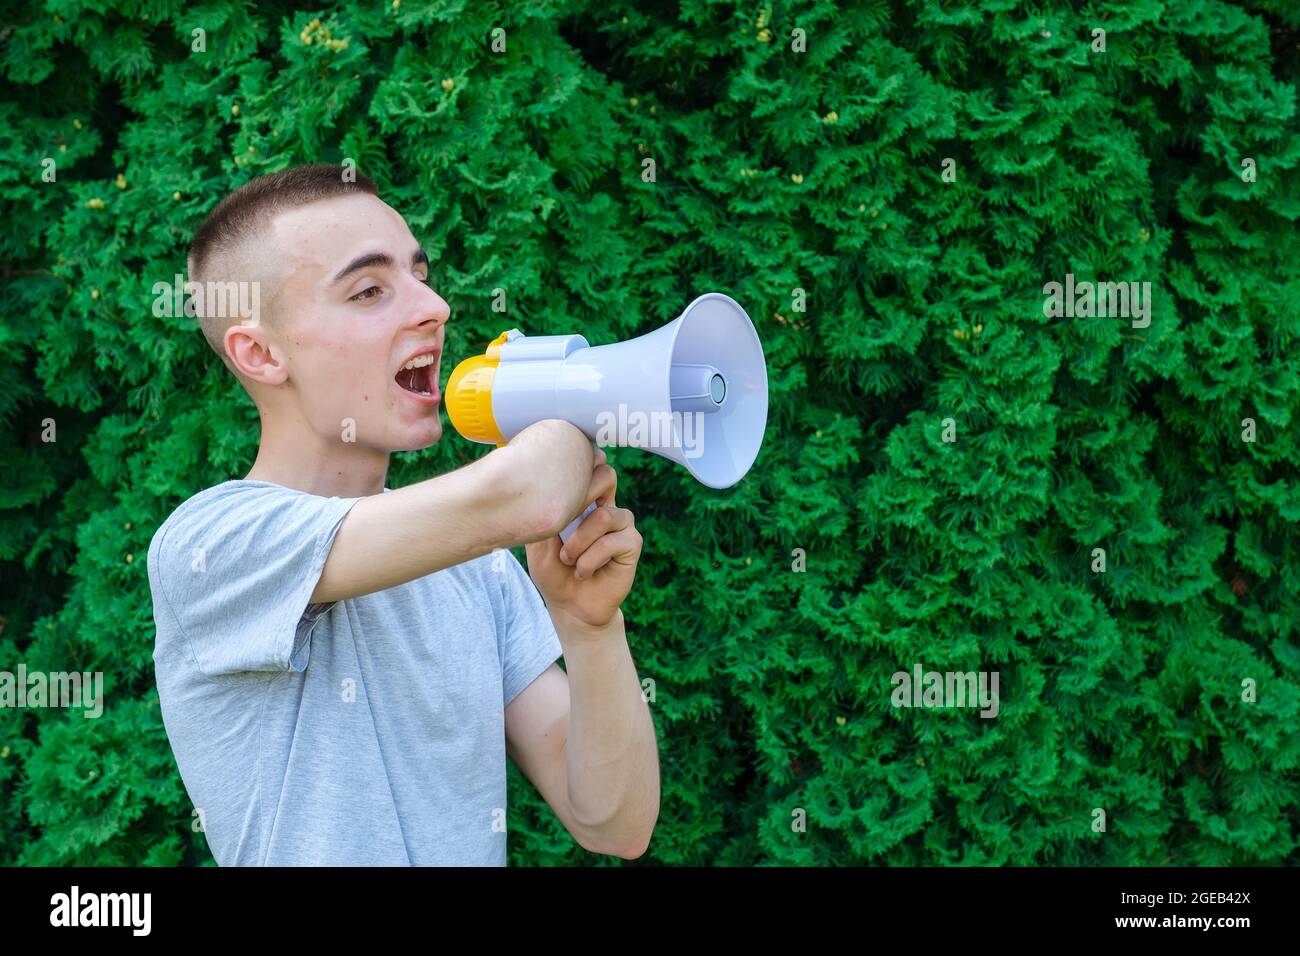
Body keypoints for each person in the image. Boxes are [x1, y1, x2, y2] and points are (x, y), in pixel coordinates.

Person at [146, 164, 659, 865]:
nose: (436, 307)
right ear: (261, 353)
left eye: (420, 276)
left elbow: (615, 827)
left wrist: (589, 627)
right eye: (369, 290)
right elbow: (527, 492)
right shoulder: (209, 545)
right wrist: (576, 394)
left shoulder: (478, 563)